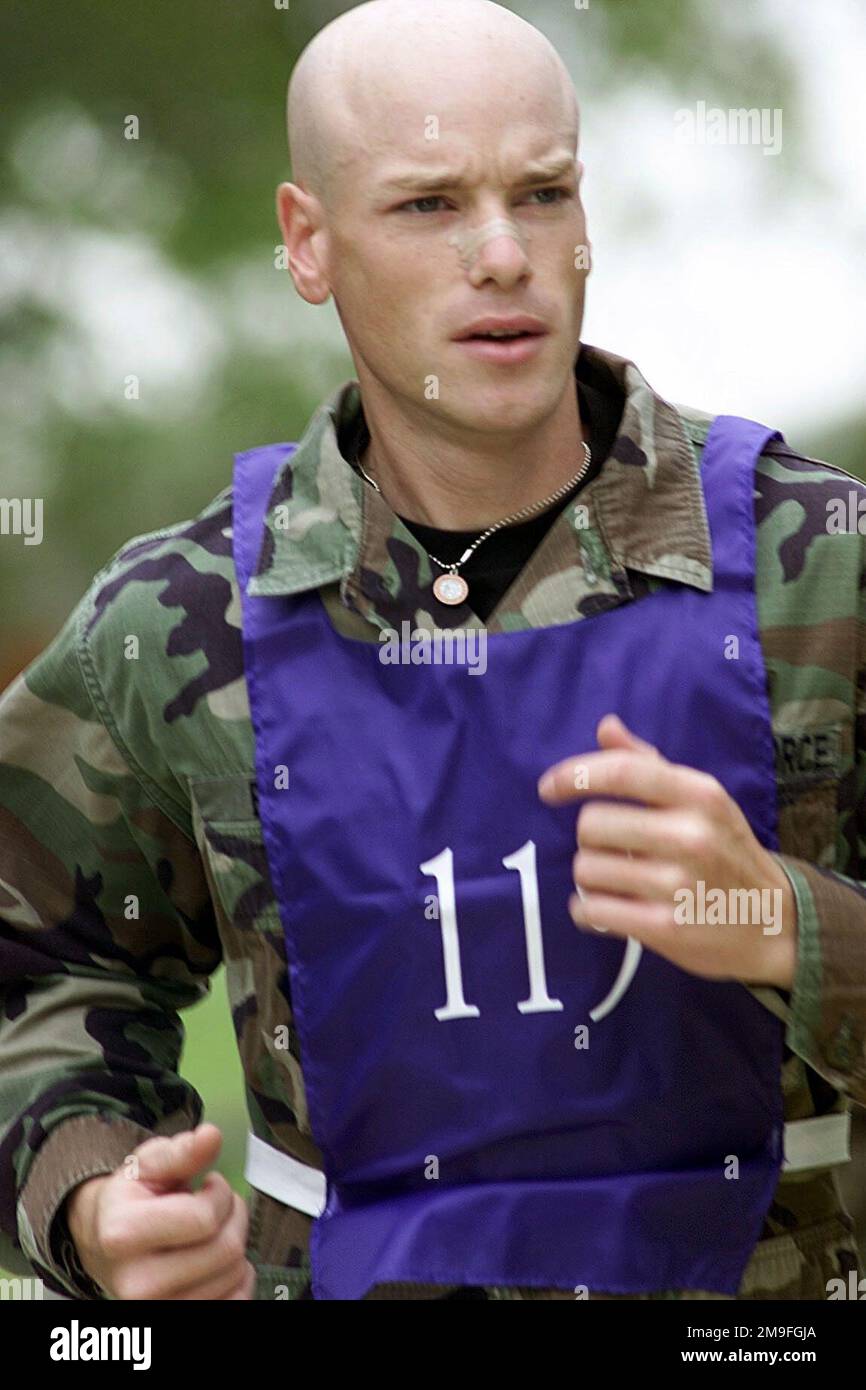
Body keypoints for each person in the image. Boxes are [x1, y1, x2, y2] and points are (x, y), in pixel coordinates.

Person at [0, 0, 864, 1302]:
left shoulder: (821, 560)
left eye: (543, 192)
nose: (503, 253)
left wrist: (785, 923)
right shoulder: (174, 624)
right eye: (428, 206)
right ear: (308, 241)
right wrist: (89, 1195)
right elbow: (31, 966)